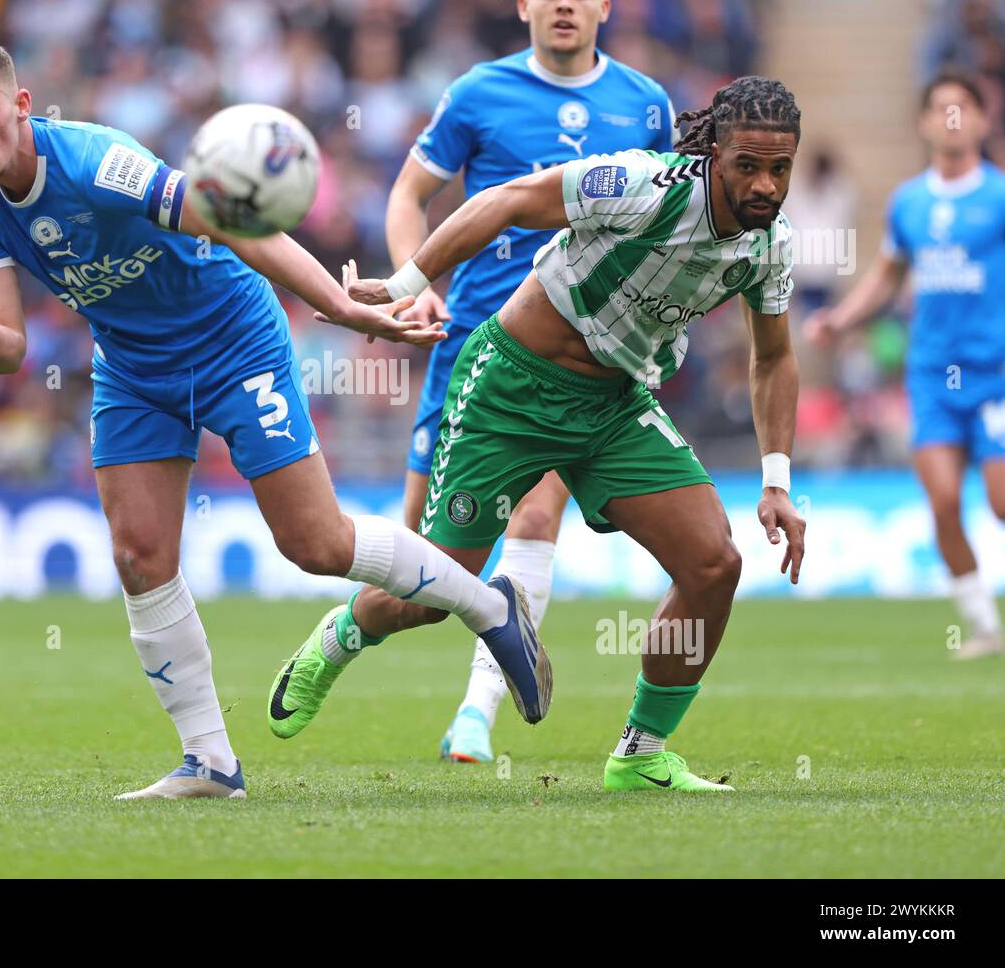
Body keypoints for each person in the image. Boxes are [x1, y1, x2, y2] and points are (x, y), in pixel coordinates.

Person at [0, 39, 554, 800]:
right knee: (137, 555)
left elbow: (233, 223)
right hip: (133, 368)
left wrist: (341, 305)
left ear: (21, 107)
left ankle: (491, 605)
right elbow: (10, 347)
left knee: (317, 544)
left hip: (232, 340)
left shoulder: (97, 161)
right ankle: (211, 763)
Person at [269, 77, 807, 792]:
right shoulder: (642, 184)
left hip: (614, 404)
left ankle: (642, 753)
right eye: (748, 165)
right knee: (428, 597)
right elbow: (508, 200)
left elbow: (773, 356)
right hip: (511, 387)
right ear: (713, 151)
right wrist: (407, 282)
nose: (765, 184)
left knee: (714, 564)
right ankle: (339, 637)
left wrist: (776, 479)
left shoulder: (770, 245)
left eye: (780, 169)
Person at [384, 0, 677, 762]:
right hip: (470, 337)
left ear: (605, 6)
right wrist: (415, 283)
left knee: (538, 508)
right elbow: (411, 194)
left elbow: (671, 227)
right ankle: (344, 642)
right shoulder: (477, 94)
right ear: (522, 4)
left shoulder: (647, 105)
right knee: (422, 573)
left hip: (572, 349)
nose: (565, 4)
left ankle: (475, 712)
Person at [807, 70, 1005, 659]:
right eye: (940, 109)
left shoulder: (997, 195)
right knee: (943, 499)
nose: (951, 119)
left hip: (995, 374)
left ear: (982, 120)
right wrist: (843, 318)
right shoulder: (910, 202)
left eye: (962, 108)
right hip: (932, 374)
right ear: (923, 122)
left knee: (999, 503)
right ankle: (984, 627)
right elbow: (889, 277)